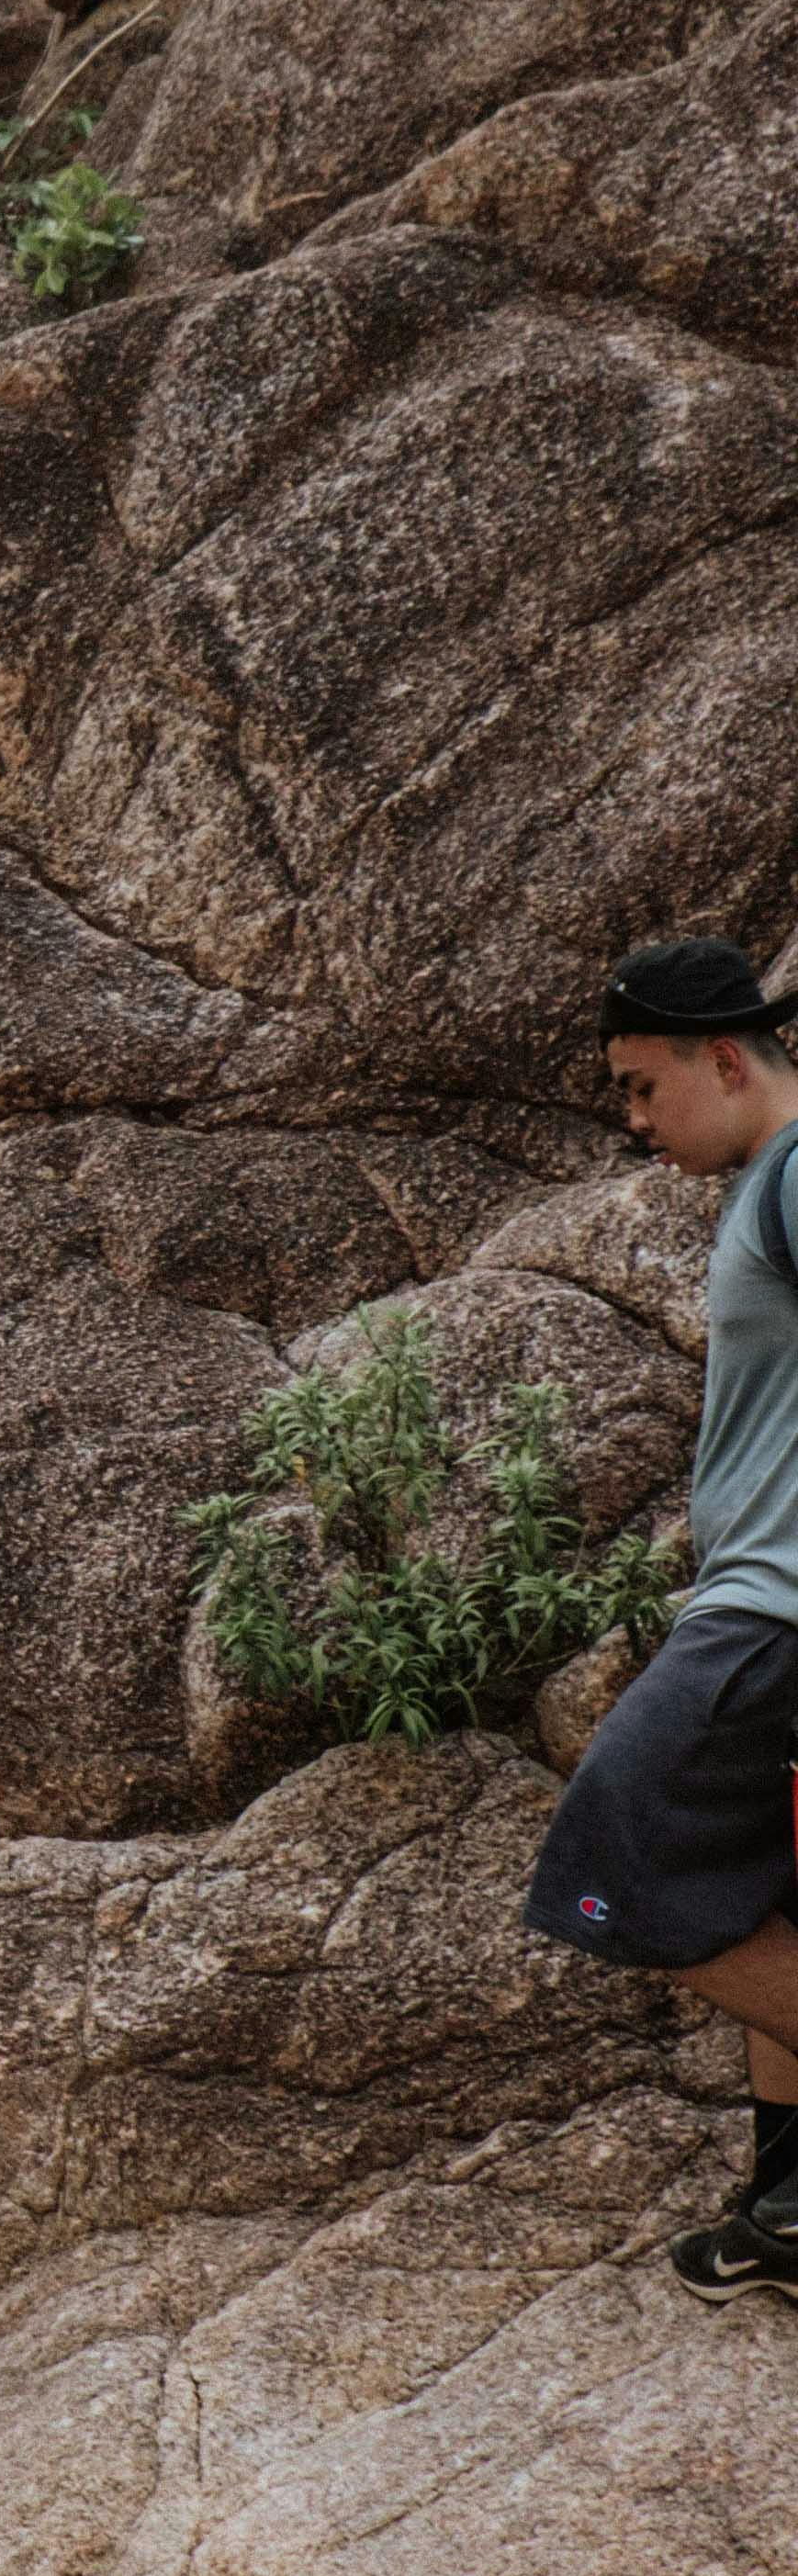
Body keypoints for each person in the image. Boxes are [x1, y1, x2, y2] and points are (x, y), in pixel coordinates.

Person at [533, 932, 798, 2300]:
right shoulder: (771, 1186)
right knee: (769, 1885)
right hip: (760, 1599)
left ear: (723, 1057)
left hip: (777, 1612)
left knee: (616, 1861)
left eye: (645, 1088)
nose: (637, 1124)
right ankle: (788, 2213)